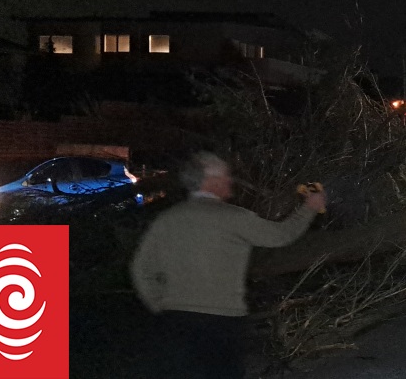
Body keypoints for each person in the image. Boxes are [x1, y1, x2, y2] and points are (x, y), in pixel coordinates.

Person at [130, 152, 327, 379]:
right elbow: (280, 235)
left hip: (176, 323)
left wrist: (162, 306)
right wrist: (309, 208)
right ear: (210, 181)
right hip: (222, 323)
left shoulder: (166, 220)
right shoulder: (234, 217)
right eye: (225, 176)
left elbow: (141, 270)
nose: (229, 180)